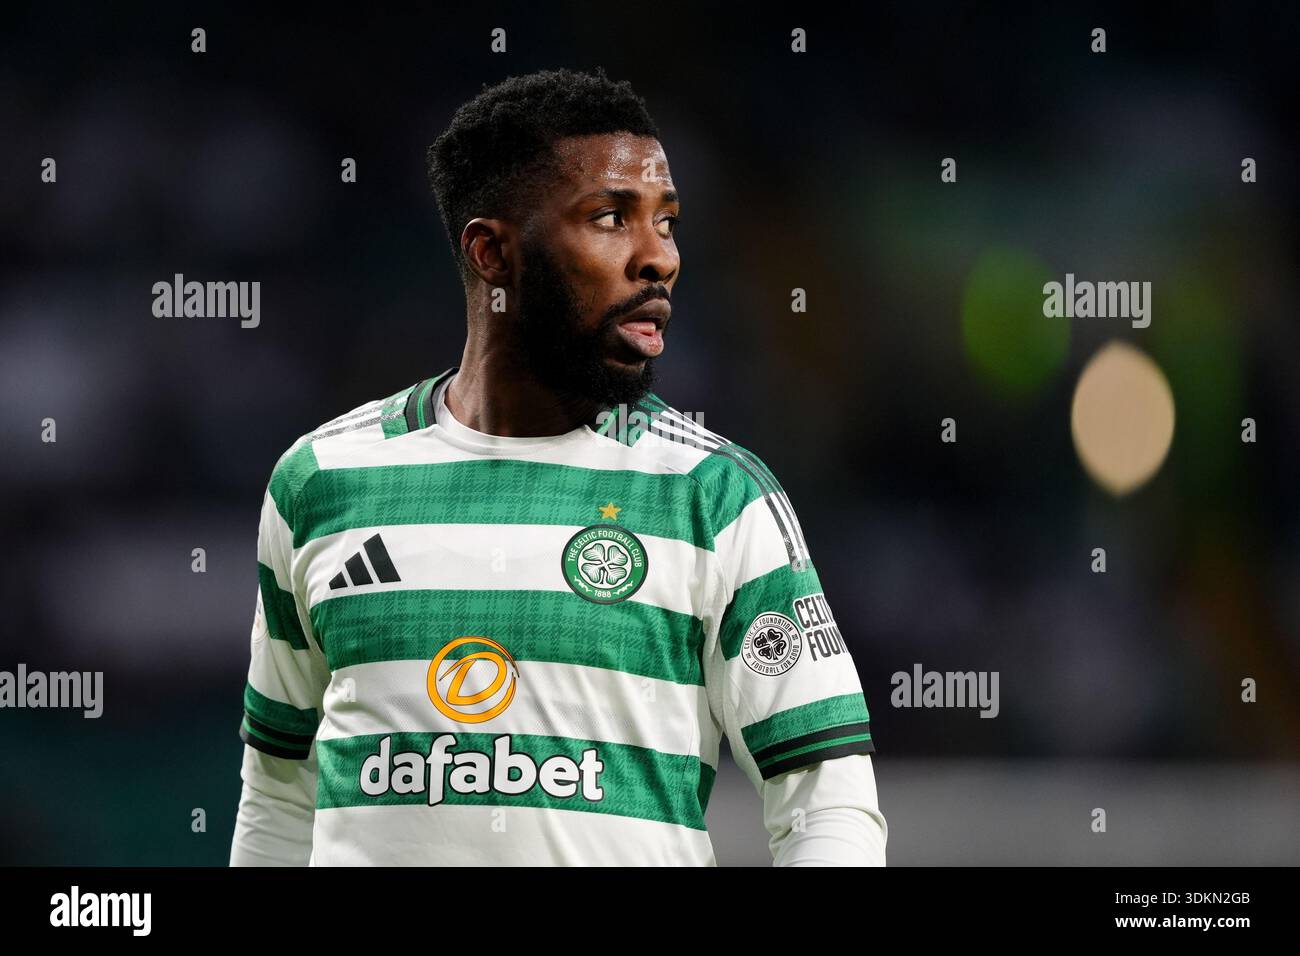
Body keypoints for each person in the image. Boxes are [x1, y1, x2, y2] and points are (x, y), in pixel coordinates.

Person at [230, 68, 886, 866]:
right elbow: (278, 791)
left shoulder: (715, 498)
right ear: (492, 252)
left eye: (667, 223)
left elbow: (826, 801)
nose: (659, 259)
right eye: (612, 217)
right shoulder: (322, 480)